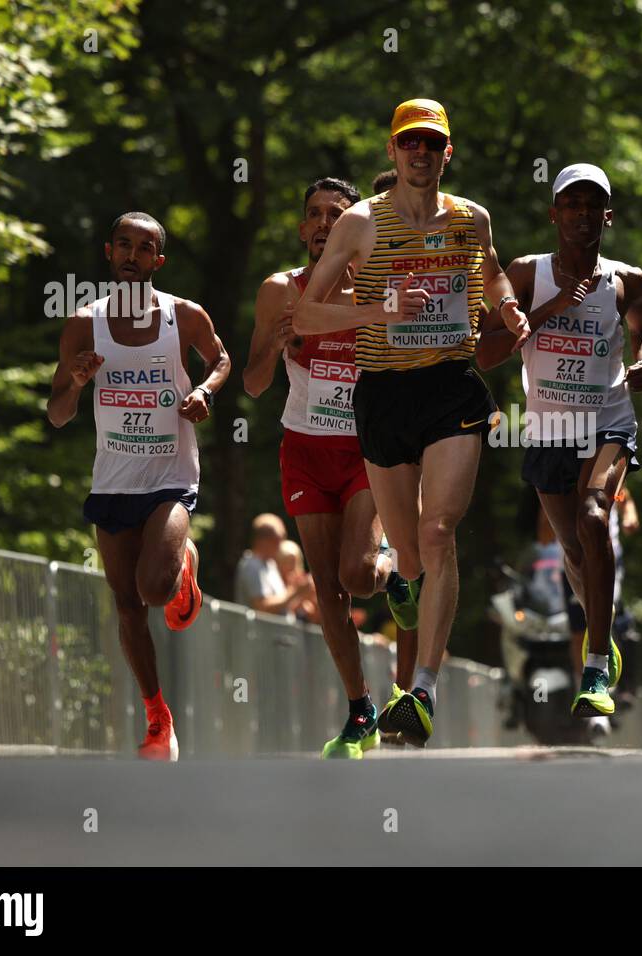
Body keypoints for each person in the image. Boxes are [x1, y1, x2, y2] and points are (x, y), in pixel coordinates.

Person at [290, 98, 528, 747]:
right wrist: (381, 313)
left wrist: (508, 310)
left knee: (438, 529)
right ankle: (405, 585)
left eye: (432, 144)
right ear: (393, 152)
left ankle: (420, 688)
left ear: (446, 153)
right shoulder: (361, 225)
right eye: (409, 144)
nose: (420, 154)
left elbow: (494, 274)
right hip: (384, 395)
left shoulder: (471, 220)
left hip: (451, 387)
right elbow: (307, 317)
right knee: (411, 555)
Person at [244, 176, 419, 758]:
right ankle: (360, 709)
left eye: (336, 215)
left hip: (365, 451)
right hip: (304, 449)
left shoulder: (381, 288)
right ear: (302, 230)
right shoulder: (281, 290)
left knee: (355, 575)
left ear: (352, 227)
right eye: (314, 214)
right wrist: (275, 343)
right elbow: (252, 382)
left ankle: (393, 567)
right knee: (326, 588)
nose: (323, 224)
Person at [47, 211, 229, 760]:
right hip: (113, 480)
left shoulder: (183, 316)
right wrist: (77, 384)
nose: (132, 255)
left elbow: (220, 358)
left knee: (153, 589)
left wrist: (205, 392)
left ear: (158, 260)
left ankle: (183, 562)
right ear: (109, 253)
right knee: (128, 605)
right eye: (123, 245)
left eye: (144, 248)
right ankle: (157, 719)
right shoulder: (84, 324)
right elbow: (56, 414)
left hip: (170, 475)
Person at [477, 163, 642, 721]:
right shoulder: (527, 273)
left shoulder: (627, 278)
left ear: (608, 215)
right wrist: (551, 309)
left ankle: (597, 663)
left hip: (609, 414)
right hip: (551, 425)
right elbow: (484, 353)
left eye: (592, 205)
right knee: (575, 554)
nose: (582, 214)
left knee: (595, 516)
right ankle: (600, 636)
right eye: (570, 205)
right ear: (554, 214)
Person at [234, 513, 312, 615]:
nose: (281, 544)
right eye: (278, 539)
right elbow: (262, 607)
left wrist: (299, 592)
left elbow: (280, 604)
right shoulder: (252, 566)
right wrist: (296, 592)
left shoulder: (269, 564)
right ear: (264, 541)